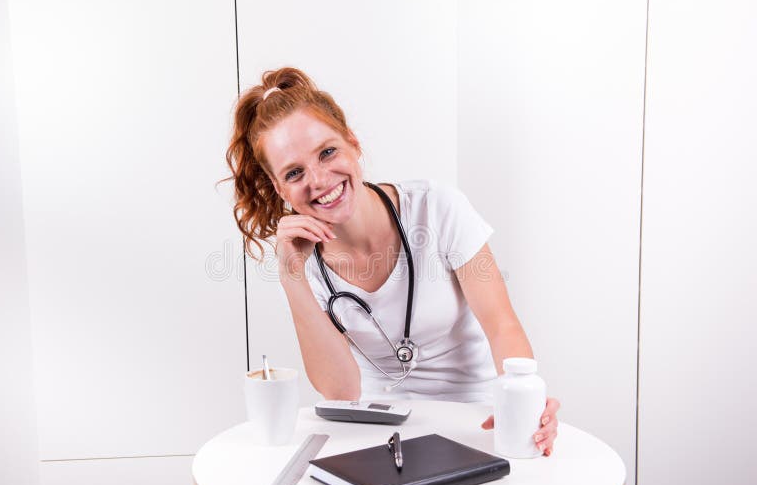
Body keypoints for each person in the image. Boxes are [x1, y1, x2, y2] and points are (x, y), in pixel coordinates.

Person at [226, 67, 560, 455]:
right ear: (279, 188)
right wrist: (291, 276)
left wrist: (521, 401)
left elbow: (502, 324)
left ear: (353, 143)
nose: (318, 180)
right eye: (295, 172)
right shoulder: (303, 260)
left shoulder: (438, 208)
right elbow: (341, 391)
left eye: (328, 152)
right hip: (372, 430)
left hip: (473, 420)